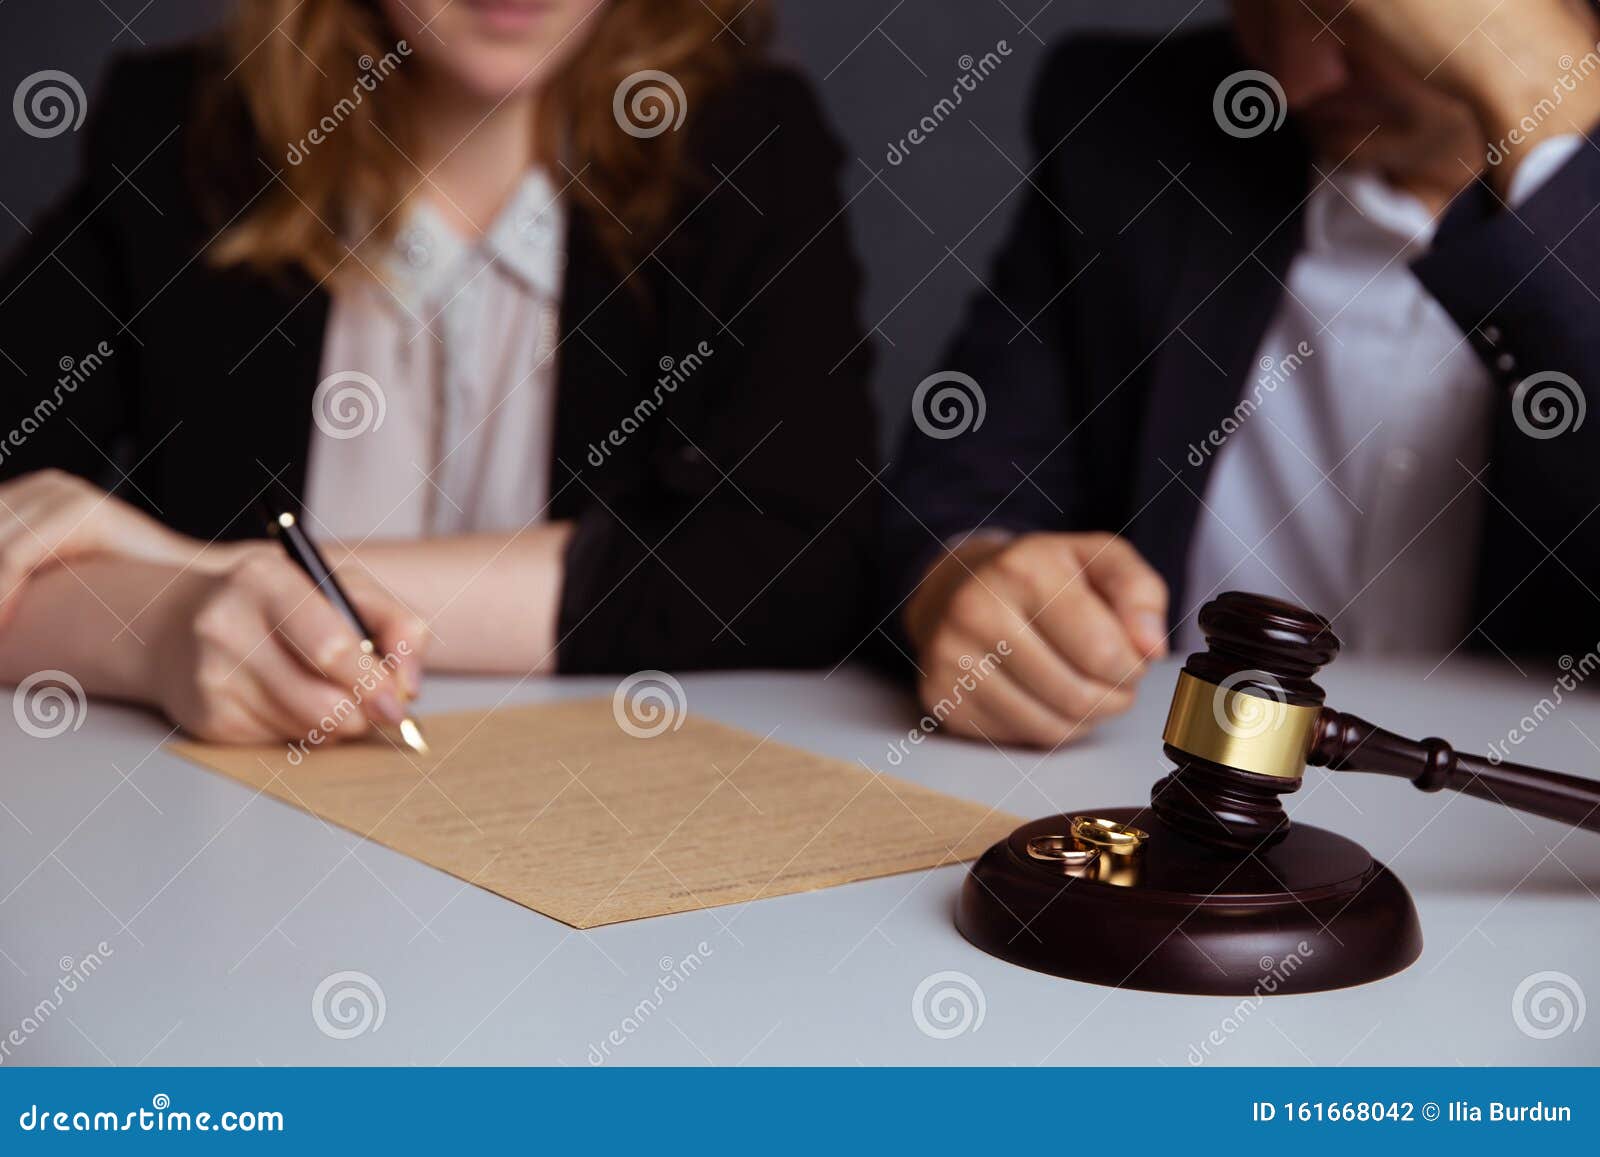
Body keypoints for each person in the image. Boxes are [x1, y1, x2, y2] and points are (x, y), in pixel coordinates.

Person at [0, 0, 876, 743]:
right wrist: (160, 630)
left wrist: (194, 573)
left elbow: (803, 564)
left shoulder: (743, 141)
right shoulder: (187, 131)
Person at [886, 0, 1600, 748]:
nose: (1293, 78)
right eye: (1259, 7)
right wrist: (968, 583)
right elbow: (962, 485)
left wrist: (1544, 92)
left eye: (1352, 16)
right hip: (1155, 781)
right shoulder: (1137, 123)